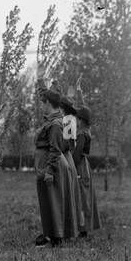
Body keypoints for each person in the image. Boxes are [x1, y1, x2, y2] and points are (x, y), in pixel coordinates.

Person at [33, 87, 68, 247]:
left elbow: (55, 149)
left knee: (53, 202)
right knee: (47, 202)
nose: (42, 105)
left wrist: (49, 171)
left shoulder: (55, 123)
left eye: (44, 102)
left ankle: (56, 237)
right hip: (45, 165)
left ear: (49, 103)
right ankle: (50, 235)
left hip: (49, 166)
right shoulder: (52, 120)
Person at [72, 105, 103, 236]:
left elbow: (77, 154)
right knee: (84, 195)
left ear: (82, 120)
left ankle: (83, 228)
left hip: (80, 166)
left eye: (78, 118)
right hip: (84, 165)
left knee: (81, 196)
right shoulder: (86, 130)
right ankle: (83, 227)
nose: (76, 121)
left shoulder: (82, 134)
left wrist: (70, 166)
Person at [56, 96, 83, 241]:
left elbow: (68, 143)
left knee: (67, 192)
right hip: (67, 156)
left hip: (65, 156)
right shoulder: (70, 119)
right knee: (70, 192)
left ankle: (69, 229)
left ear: (62, 108)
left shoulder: (67, 120)